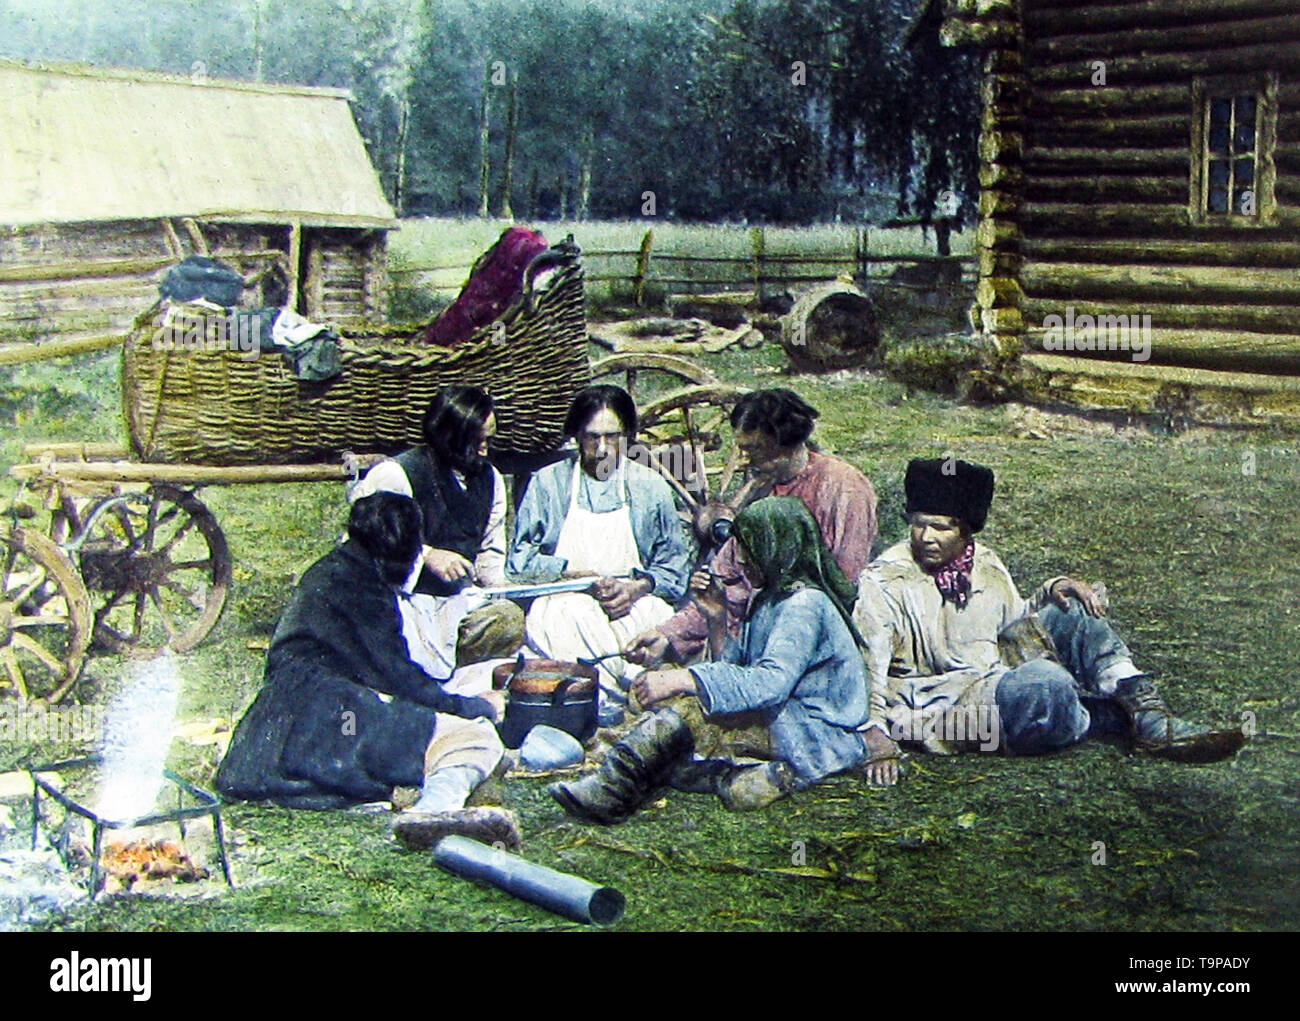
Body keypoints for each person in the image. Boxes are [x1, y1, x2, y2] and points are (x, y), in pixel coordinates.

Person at [850, 457, 1247, 784]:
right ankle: (1106, 719)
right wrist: (875, 731)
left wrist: (1052, 591)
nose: (925, 537)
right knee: (1047, 684)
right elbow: (870, 661)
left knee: (1072, 611)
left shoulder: (982, 563)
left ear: (966, 531)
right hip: (942, 709)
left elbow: (1010, 623)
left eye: (940, 526)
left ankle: (1147, 714)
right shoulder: (885, 579)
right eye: (918, 523)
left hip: (994, 674)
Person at [216, 492, 519, 847]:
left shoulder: (329, 570)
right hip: (340, 720)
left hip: (284, 720)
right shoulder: (365, 587)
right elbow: (400, 679)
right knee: (473, 738)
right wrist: (476, 706)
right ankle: (433, 812)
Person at [550, 497, 874, 823]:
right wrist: (716, 618)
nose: (742, 560)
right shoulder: (770, 599)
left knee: (691, 708)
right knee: (682, 709)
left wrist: (686, 680)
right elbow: (739, 671)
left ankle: (611, 790)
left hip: (815, 733)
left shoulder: (804, 604)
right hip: (785, 719)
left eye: (749, 550)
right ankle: (729, 779)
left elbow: (769, 684)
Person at [624, 387, 878, 668]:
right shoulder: (763, 491)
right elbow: (727, 579)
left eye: (752, 449)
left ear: (784, 442)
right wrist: (667, 634)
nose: (745, 460)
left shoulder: (844, 488)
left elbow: (845, 582)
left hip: (811, 638)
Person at [508, 385, 692, 703]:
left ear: (629, 436)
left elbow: (674, 567)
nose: (604, 447)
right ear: (576, 435)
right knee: (567, 617)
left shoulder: (650, 487)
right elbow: (518, 563)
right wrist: (567, 575)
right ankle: (614, 690)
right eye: (594, 437)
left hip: (629, 598)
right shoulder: (549, 483)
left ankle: (613, 684)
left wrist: (637, 588)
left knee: (653, 615)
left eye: (614, 437)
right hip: (566, 596)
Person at [350, 386, 523, 679]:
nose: (484, 450)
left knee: (508, 620)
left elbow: (489, 552)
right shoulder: (398, 475)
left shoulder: (489, 479)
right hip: (404, 599)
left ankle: (458, 683)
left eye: (488, 440)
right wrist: (426, 555)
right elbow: (365, 549)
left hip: (455, 602)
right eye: (475, 441)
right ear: (448, 438)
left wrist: (502, 592)